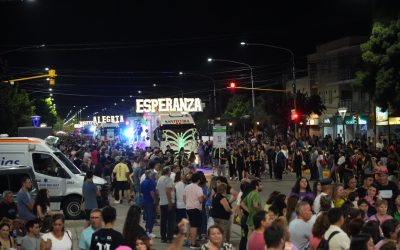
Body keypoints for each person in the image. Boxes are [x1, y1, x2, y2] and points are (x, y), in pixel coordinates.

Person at [184, 172, 205, 248]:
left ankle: (190, 240)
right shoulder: (198, 188)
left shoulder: (187, 187)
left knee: (190, 225)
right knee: (194, 226)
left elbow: (184, 198)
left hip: (188, 208)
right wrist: (203, 198)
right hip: (195, 208)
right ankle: (193, 243)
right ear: (199, 180)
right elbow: (200, 200)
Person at [157, 166, 176, 244]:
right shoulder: (168, 179)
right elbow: (168, 191)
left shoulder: (160, 179)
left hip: (162, 202)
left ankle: (163, 237)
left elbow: (157, 191)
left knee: (163, 221)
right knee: (170, 221)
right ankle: (169, 238)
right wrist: (170, 202)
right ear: (168, 172)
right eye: (170, 171)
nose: (171, 172)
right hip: (168, 202)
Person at [140, 170, 157, 238]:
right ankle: (149, 231)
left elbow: (141, 192)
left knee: (147, 216)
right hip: (150, 201)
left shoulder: (143, 182)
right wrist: (155, 200)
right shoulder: (151, 182)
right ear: (150, 175)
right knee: (151, 217)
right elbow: (152, 192)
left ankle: (147, 230)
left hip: (144, 201)